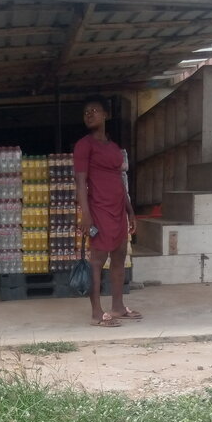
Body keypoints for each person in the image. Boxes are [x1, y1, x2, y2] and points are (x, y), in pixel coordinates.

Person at [74, 94, 140, 327]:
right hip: (99, 210)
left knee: (120, 257)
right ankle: (96, 312)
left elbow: (120, 180)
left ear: (105, 115)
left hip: (118, 209)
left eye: (94, 111)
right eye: (85, 113)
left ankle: (118, 307)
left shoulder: (113, 148)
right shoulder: (84, 145)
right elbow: (81, 182)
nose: (89, 115)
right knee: (97, 261)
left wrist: (130, 210)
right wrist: (86, 214)